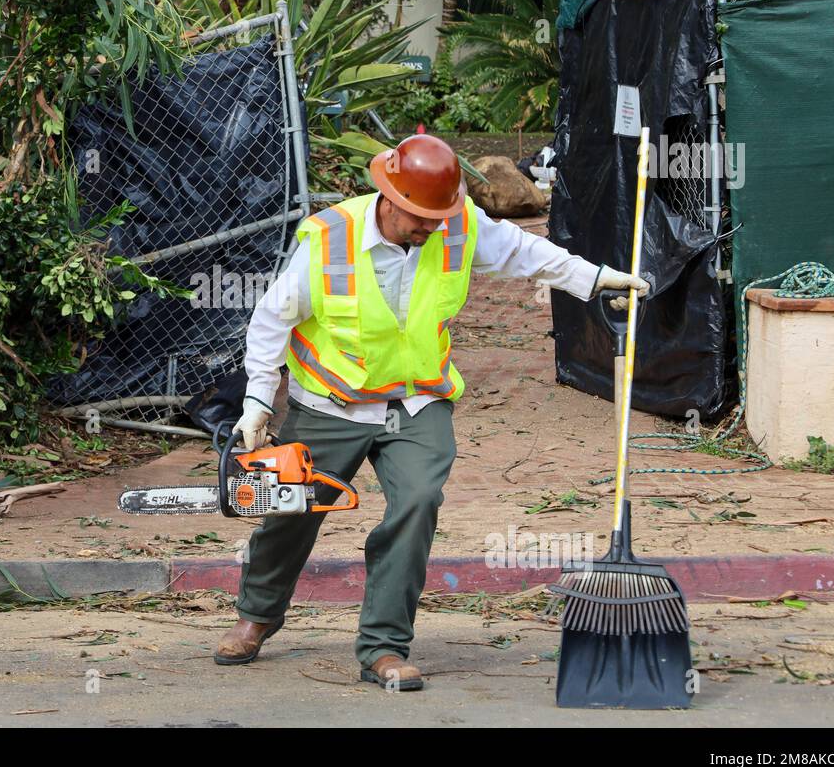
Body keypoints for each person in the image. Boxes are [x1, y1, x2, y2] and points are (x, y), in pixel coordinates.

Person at [214, 132, 648, 690]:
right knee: (294, 509)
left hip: (416, 400)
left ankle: (384, 647)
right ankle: (257, 614)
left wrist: (594, 279)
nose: (429, 227)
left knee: (417, 503)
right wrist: (255, 404)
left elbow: (523, 252)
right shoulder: (330, 239)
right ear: (387, 197)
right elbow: (272, 320)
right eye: (418, 216)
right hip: (331, 400)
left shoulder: (457, 222)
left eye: (436, 217)